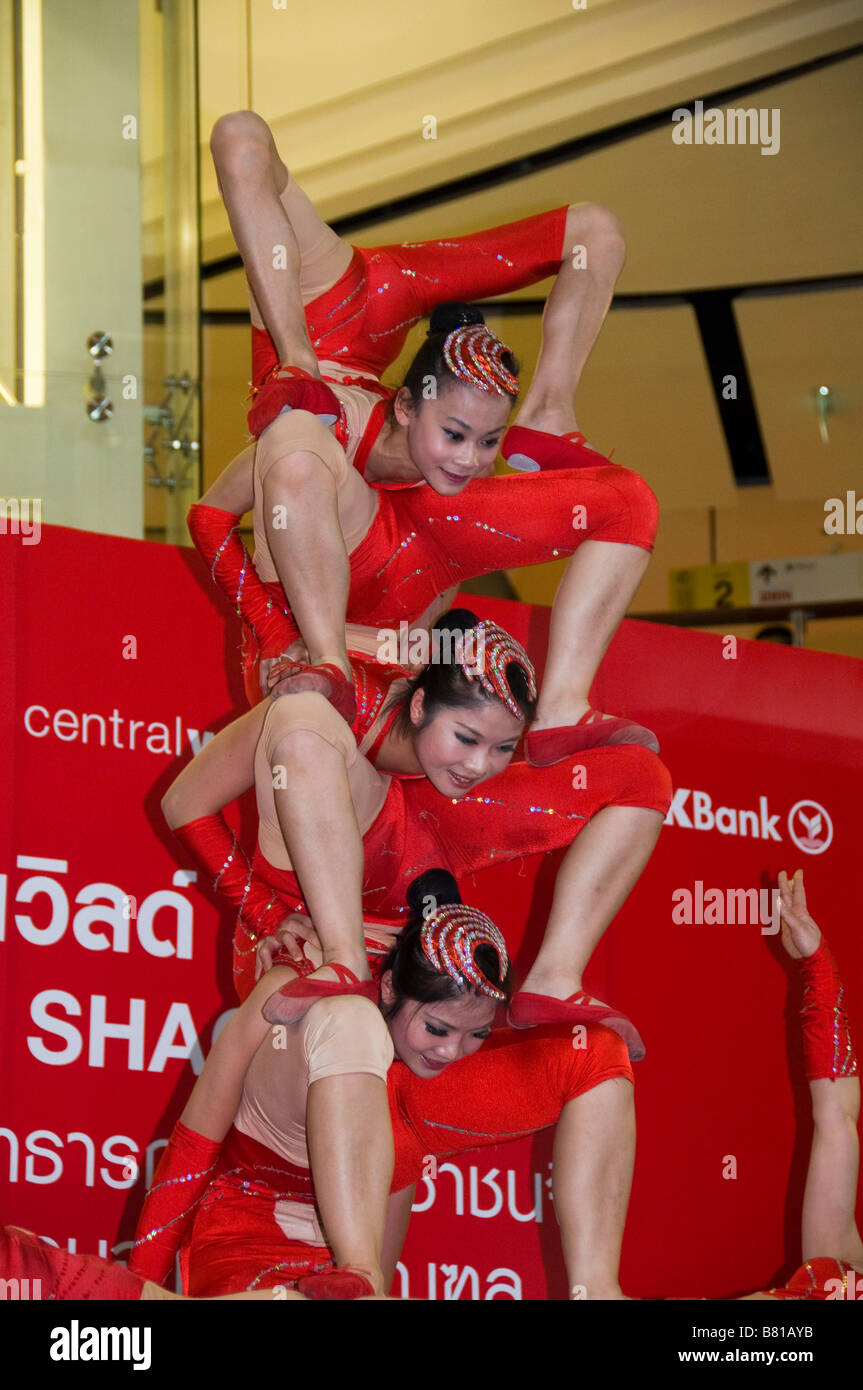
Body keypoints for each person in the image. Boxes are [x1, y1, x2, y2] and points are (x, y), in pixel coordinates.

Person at [191, 112, 657, 749]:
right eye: (461, 439)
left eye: (486, 443)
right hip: (336, 325)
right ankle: (297, 363)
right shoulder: (357, 457)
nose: (470, 461)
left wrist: (286, 639)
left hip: (326, 313)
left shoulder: (346, 474)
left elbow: (221, 519)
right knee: (239, 132)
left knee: (600, 232)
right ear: (411, 410)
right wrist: (286, 639)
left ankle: (546, 413)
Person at [162, 609, 671, 1052]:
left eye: (502, 748)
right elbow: (185, 802)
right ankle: (345, 959)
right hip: (311, 921)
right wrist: (264, 914)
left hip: (426, 849)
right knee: (301, 715)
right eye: (467, 738)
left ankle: (554, 980)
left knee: (642, 776)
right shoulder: (334, 697)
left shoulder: (452, 759)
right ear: (421, 705)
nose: (479, 765)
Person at [127, 869, 636, 1301]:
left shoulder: (415, 1089)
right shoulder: (295, 989)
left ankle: (596, 1292)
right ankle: (355, 1266)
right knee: (353, 1023)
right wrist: (137, 1293)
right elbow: (191, 1151)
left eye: (477, 1033)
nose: (451, 1052)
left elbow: (390, 1210)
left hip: (352, 1279)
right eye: (437, 1028)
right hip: (245, 1238)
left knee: (595, 1051)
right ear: (390, 986)